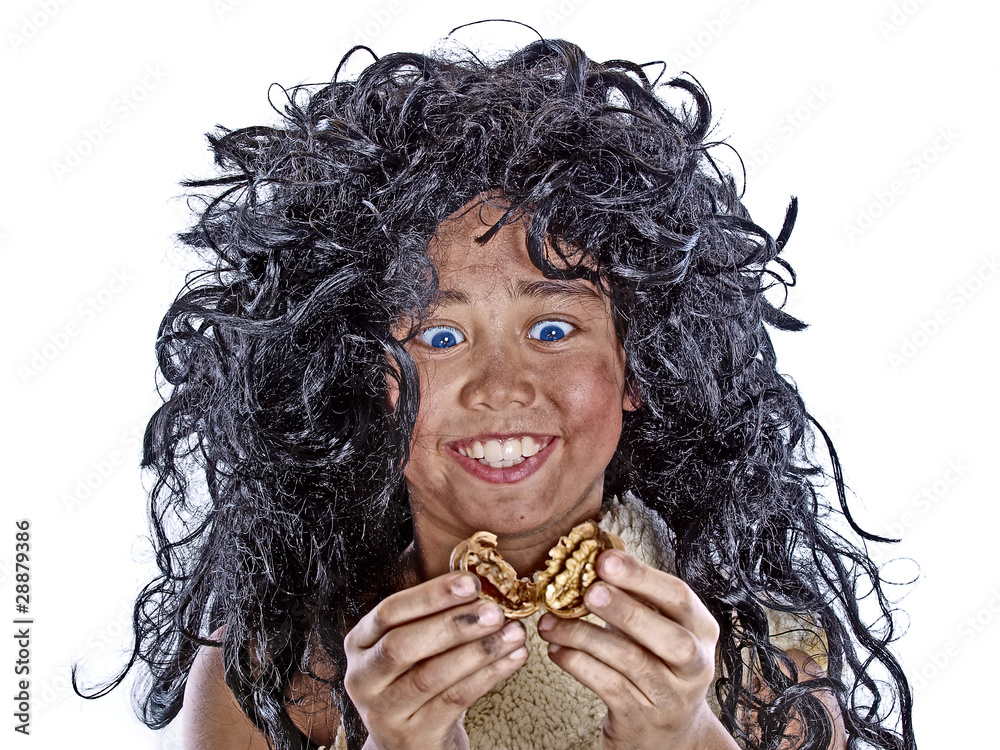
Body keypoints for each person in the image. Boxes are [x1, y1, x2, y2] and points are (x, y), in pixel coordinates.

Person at [76, 31, 916, 750]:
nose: (501, 386)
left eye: (554, 330)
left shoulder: (763, 659)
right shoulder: (274, 673)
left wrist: (686, 736)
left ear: (641, 366)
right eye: (438, 337)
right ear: (362, 382)